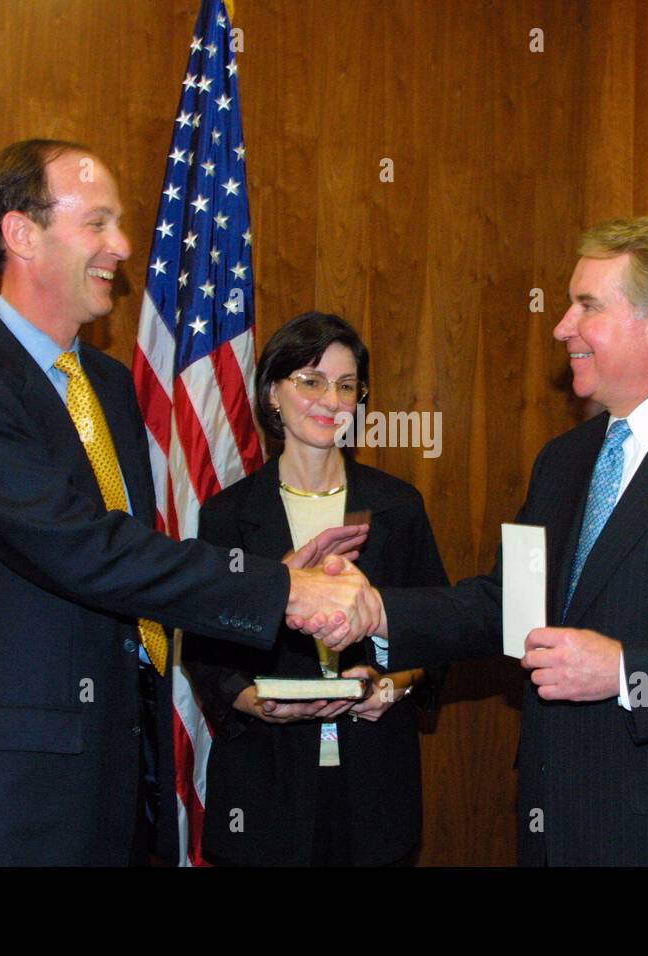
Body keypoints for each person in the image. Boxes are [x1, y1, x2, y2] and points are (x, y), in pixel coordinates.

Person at [0, 140, 377, 866]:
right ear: (21, 233)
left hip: (127, 767)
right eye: (98, 223)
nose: (122, 246)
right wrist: (277, 590)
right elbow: (78, 547)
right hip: (14, 786)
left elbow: (130, 558)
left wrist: (269, 575)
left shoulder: (111, 388)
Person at [308, 216, 648, 865]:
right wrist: (377, 611)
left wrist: (627, 674)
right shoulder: (564, 462)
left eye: (587, 305)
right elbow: (511, 608)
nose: (562, 325)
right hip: (555, 824)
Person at [182, 312, 448, 866]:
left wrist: (392, 686)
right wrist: (253, 702)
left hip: (373, 788)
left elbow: (436, 632)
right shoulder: (229, 515)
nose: (331, 399)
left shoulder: (398, 506)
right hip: (266, 784)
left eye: (347, 385)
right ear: (273, 394)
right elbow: (206, 652)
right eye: (311, 380)